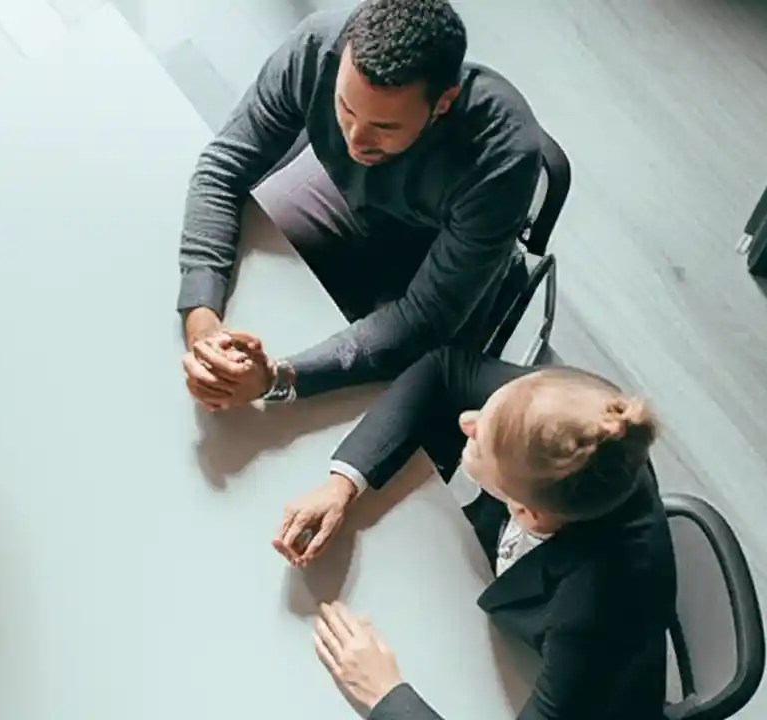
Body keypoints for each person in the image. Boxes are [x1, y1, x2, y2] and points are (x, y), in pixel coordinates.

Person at [177, 0, 544, 411]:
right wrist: (202, 321)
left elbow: (424, 321)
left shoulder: (502, 155)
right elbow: (223, 167)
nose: (355, 140)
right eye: (345, 109)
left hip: (443, 263)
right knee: (256, 280)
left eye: (384, 127)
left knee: (390, 408)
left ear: (444, 102)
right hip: (345, 203)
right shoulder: (318, 47)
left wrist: (278, 379)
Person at [272, 347, 676, 719]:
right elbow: (443, 371)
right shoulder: (566, 414)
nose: (467, 420)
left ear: (524, 512)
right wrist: (342, 484)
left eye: (478, 443)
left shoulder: (594, 615)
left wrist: (385, 694)